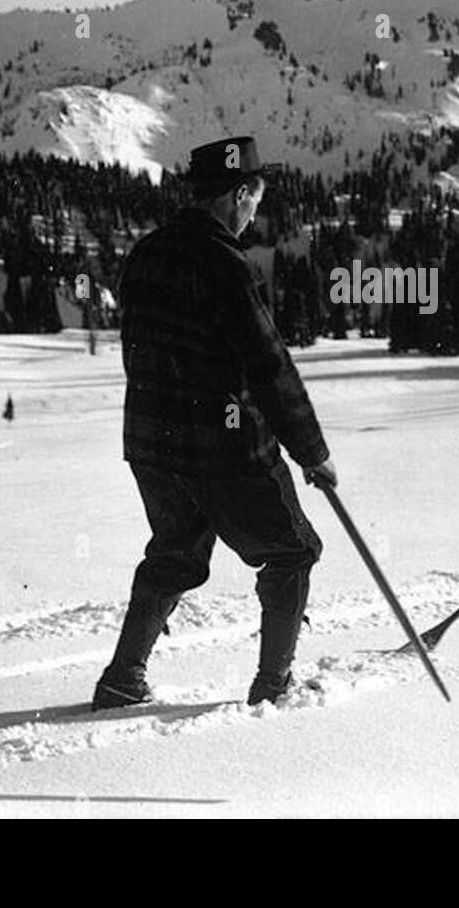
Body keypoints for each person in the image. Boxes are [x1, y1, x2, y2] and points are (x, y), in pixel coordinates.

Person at [93, 136, 336, 711]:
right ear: (240, 193)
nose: (255, 213)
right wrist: (311, 452)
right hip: (224, 449)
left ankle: (123, 678)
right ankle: (274, 688)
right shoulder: (225, 265)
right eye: (255, 200)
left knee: (175, 554)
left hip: (152, 443)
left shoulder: (146, 252)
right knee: (291, 552)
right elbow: (267, 363)